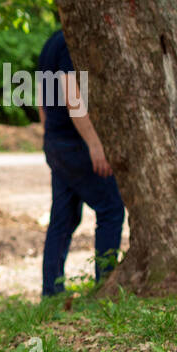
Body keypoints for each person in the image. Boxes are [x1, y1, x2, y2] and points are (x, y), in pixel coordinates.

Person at [37, 27, 125, 297]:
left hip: (57, 140)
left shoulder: (51, 41)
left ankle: (52, 291)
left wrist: (51, 137)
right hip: (76, 143)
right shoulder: (70, 42)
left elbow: (42, 99)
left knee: (63, 218)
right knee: (111, 208)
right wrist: (95, 144)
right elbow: (72, 95)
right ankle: (105, 284)